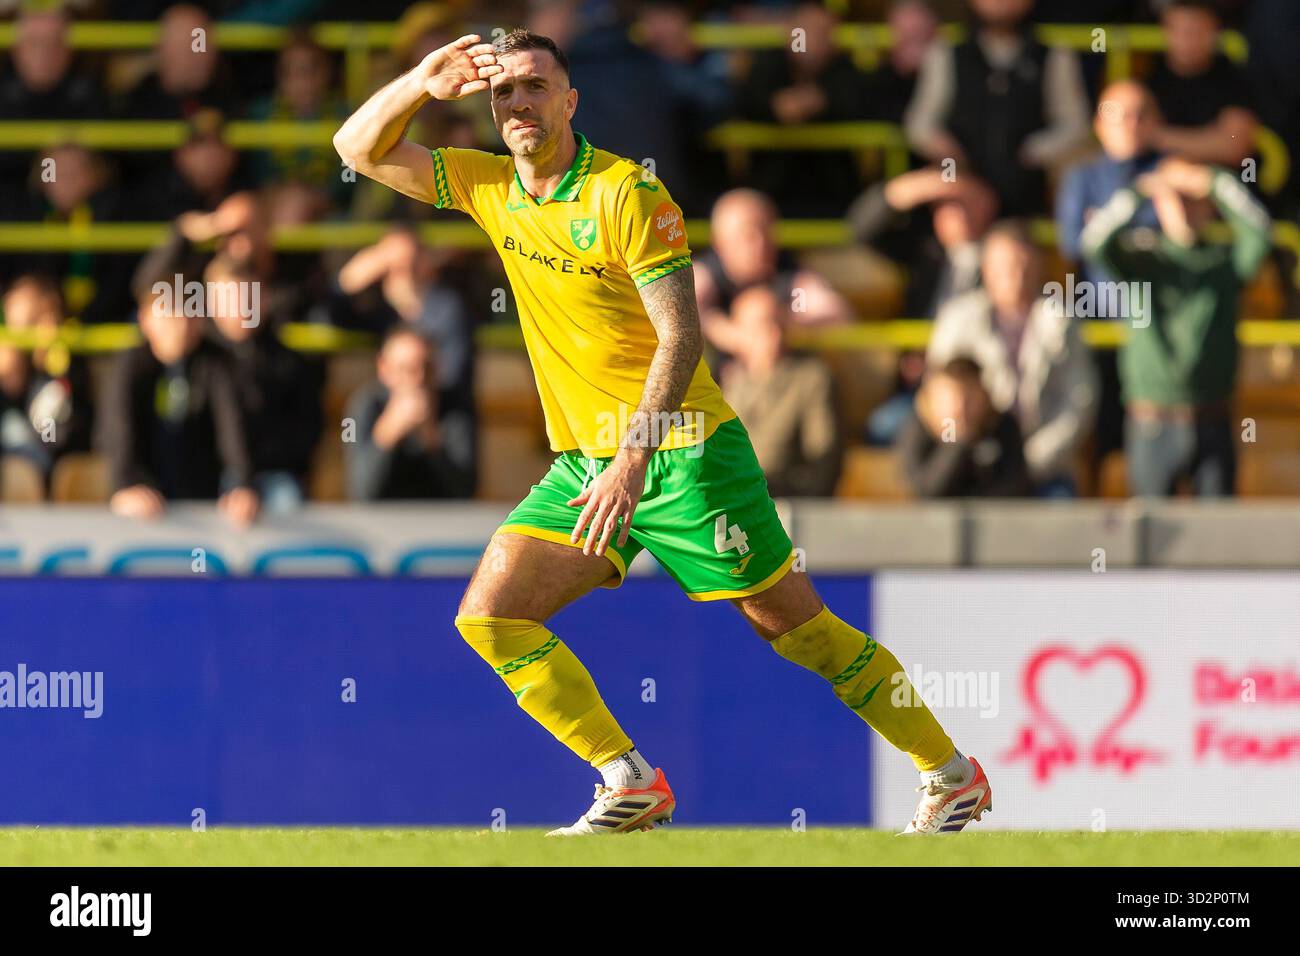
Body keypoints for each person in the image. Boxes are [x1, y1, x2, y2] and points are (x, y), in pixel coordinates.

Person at [334, 29, 991, 835]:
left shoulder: (626, 194)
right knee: (491, 617)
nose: (519, 104)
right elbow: (355, 148)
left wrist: (635, 457)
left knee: (801, 635)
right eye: (504, 92)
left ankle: (949, 773)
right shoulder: (488, 187)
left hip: (684, 453)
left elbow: (682, 337)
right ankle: (628, 779)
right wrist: (421, 82)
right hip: (587, 462)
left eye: (536, 86)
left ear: (570, 101)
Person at [1081, 157, 1271, 496]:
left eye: (1191, 200)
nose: (1183, 209)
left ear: (1208, 207)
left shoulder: (1223, 266)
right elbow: (1094, 242)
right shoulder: (1140, 264)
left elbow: (1260, 233)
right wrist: (1141, 189)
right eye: (1173, 199)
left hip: (1211, 418)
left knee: (1217, 538)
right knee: (1151, 536)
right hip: (1151, 422)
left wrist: (1212, 181)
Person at [928, 220, 1097, 496]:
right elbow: (940, 397)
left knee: (1062, 524)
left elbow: (1079, 403)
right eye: (1006, 268)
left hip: (1045, 468)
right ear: (986, 269)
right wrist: (968, 450)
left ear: (1039, 267)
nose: (1016, 277)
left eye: (1024, 266)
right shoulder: (958, 320)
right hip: (972, 467)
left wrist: (1029, 461)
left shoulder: (1061, 321)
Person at [903, 0, 1090, 215]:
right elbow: (919, 124)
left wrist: (1035, 151)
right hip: (960, 191)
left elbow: (1075, 124)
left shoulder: (1054, 54)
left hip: (1023, 195)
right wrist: (947, 152)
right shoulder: (945, 52)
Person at [101, 288, 259, 525]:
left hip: (207, 494)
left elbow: (232, 426)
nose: (181, 324)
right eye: (170, 314)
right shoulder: (128, 367)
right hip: (148, 494)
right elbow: (117, 428)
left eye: (189, 314)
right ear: (146, 319)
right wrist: (126, 486)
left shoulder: (216, 363)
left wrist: (241, 484)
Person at [695, 188, 851, 359]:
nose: (761, 243)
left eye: (766, 231)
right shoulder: (703, 276)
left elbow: (831, 311)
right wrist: (731, 334)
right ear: (720, 241)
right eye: (748, 234)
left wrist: (782, 324)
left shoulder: (792, 277)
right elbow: (684, 310)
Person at [719, 286, 841, 497]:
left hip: (787, 503)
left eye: (779, 322)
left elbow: (823, 457)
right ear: (738, 333)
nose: (774, 333)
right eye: (762, 326)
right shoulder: (730, 382)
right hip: (734, 501)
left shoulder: (811, 378)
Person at [345, 327, 475, 501]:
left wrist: (432, 442)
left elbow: (465, 491)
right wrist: (387, 435)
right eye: (406, 369)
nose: (418, 379)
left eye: (426, 368)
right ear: (384, 368)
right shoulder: (365, 405)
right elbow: (361, 493)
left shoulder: (455, 408)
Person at [897, 356, 1033, 498]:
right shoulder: (918, 428)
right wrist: (955, 439)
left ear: (984, 395)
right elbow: (928, 489)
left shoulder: (1003, 425)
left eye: (969, 398)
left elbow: (1015, 486)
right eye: (952, 398)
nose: (960, 408)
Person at [1147, 0, 1256, 168]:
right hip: (1156, 183)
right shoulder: (1147, 79)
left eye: (1197, 31)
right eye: (1181, 31)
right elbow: (1124, 138)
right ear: (1166, 31)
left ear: (1214, 31)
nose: (1188, 40)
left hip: (1219, 183)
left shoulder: (1233, 80)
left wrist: (1159, 138)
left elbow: (1234, 145)